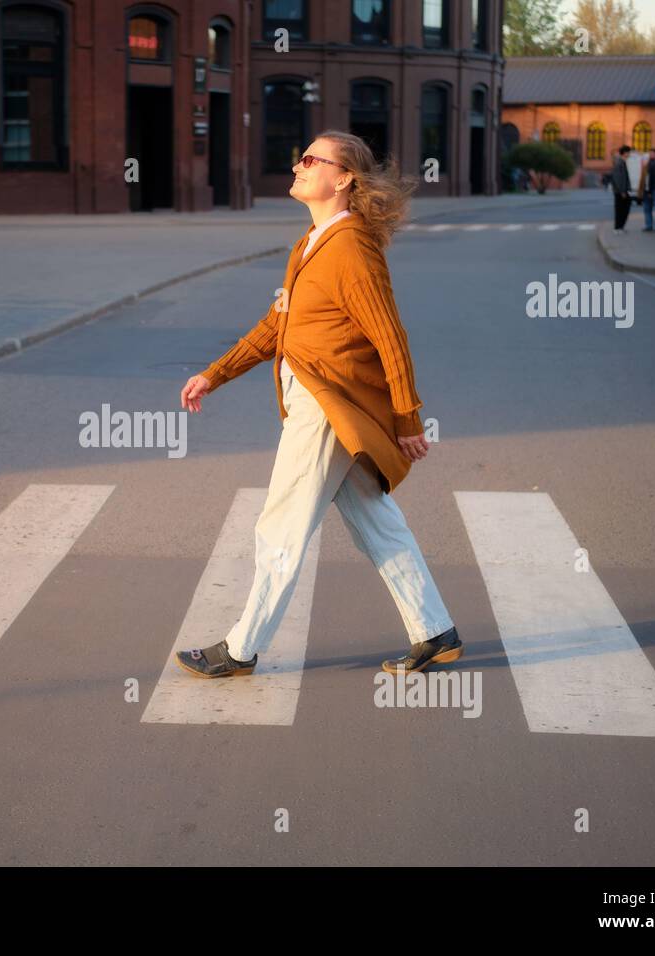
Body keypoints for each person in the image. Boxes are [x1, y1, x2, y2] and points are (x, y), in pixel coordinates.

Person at [175, 130, 461, 680]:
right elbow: (276, 325)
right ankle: (435, 632)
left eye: (311, 159)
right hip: (322, 402)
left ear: (344, 178)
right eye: (299, 156)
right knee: (376, 523)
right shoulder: (312, 242)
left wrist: (406, 418)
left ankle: (241, 648)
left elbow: (390, 337)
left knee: (280, 527)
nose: (298, 165)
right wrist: (215, 373)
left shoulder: (350, 247)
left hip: (329, 406)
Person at [611, 146, 634, 231]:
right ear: (625, 153)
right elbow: (617, 178)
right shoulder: (619, 163)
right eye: (629, 152)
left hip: (623, 190)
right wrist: (622, 191)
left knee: (624, 208)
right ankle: (618, 228)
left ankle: (620, 227)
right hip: (620, 191)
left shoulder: (622, 162)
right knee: (620, 209)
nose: (629, 154)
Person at [639, 148, 655, 231]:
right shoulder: (646, 166)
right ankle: (649, 225)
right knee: (647, 209)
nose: (650, 155)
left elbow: (650, 180)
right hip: (647, 191)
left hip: (653, 190)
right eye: (650, 153)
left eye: (652, 153)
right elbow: (642, 180)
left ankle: (654, 226)